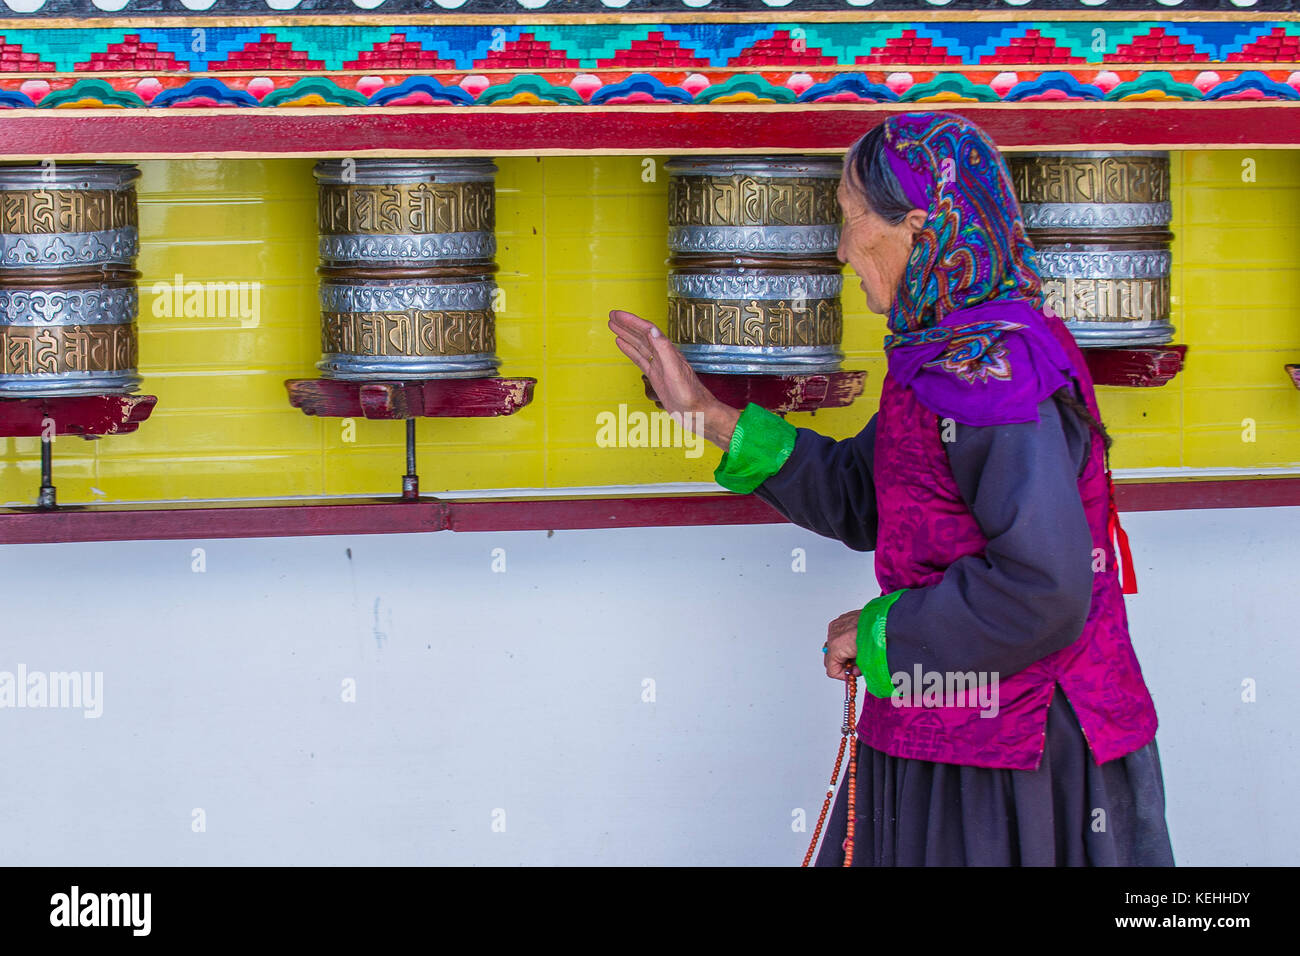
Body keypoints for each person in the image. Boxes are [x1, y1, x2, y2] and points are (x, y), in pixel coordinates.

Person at [607, 111, 1175, 866]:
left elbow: (1043, 589)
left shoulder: (995, 373)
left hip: (1017, 751)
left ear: (916, 226)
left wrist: (885, 633)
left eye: (850, 221)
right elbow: (865, 495)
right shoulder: (940, 354)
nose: (842, 250)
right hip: (947, 724)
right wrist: (707, 416)